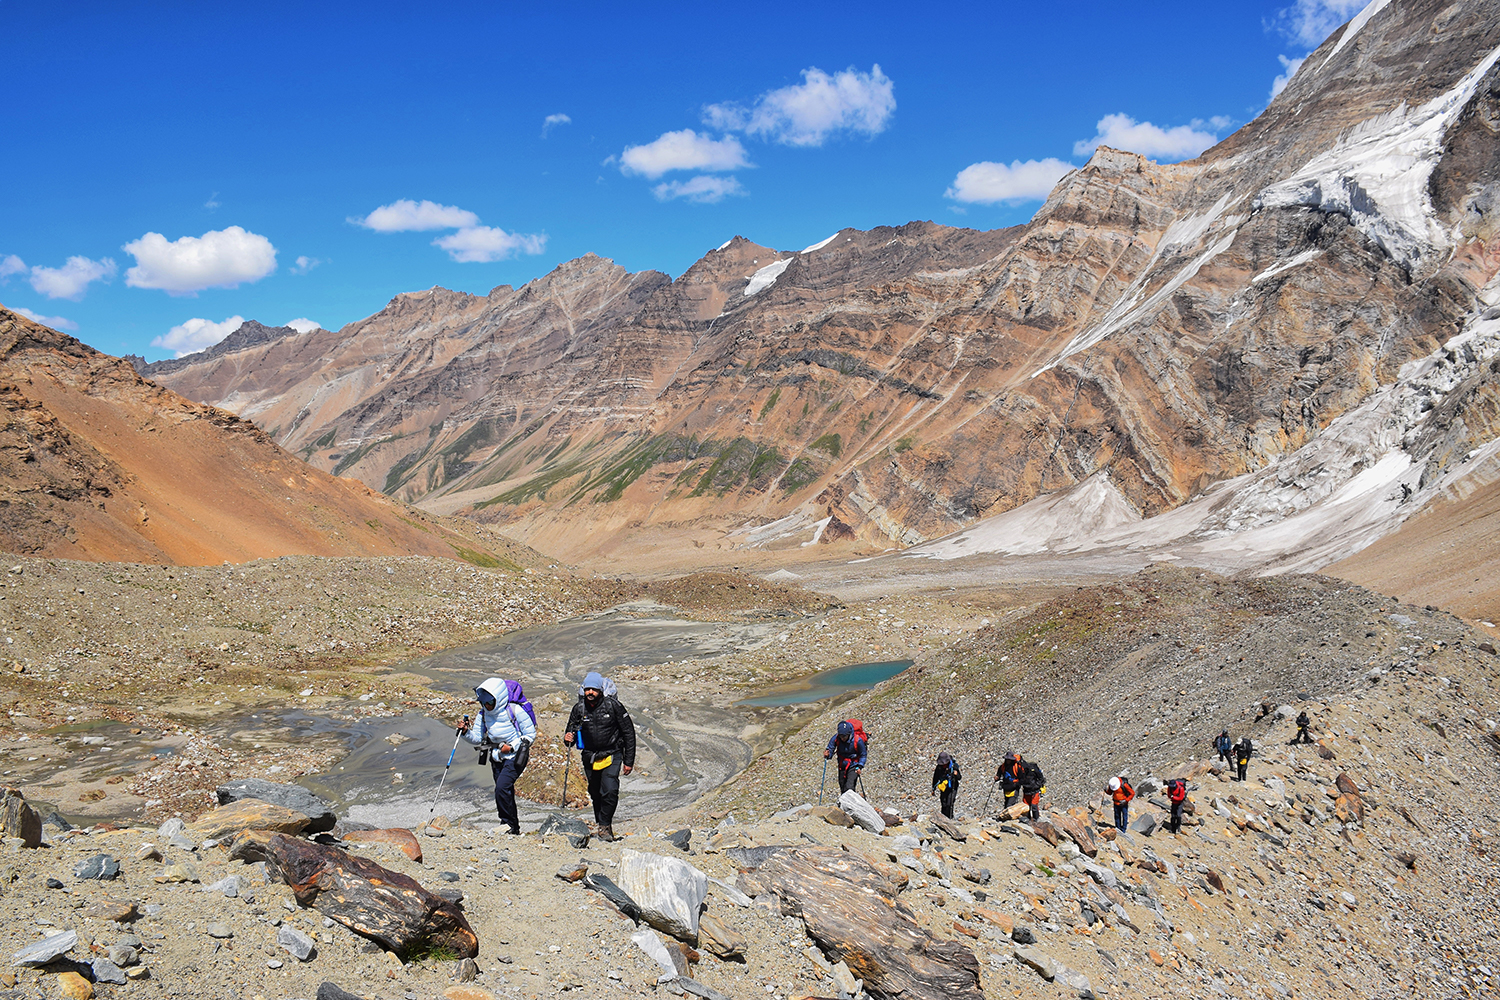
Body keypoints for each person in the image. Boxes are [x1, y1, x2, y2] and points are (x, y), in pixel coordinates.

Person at [564, 671, 636, 842]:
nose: (590, 693)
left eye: (594, 690)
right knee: (595, 792)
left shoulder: (613, 706)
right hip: (589, 755)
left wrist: (629, 761)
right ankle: (601, 824)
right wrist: (567, 738)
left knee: (610, 790)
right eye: (587, 689)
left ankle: (605, 825)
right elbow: (570, 732)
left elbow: (628, 733)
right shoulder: (579, 709)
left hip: (612, 753)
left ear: (600, 691)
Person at [460, 677, 536, 835]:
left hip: (516, 756)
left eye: (489, 702)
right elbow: (477, 738)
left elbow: (530, 734)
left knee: (502, 787)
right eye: (484, 703)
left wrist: (512, 746)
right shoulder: (483, 714)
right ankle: (511, 826)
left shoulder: (514, 710)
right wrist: (466, 732)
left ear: (498, 698)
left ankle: (508, 824)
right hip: (496, 757)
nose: (487, 706)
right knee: (504, 790)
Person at [824, 720, 867, 795]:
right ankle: (844, 804)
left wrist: (860, 766)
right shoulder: (836, 738)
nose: (842, 738)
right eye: (841, 736)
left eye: (844, 736)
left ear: (849, 733)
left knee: (849, 787)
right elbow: (831, 747)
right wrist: (828, 754)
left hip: (854, 765)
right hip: (842, 764)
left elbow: (863, 754)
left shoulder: (858, 740)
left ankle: (851, 804)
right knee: (842, 786)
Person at [931, 752, 962, 819]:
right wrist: (933, 788)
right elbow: (935, 777)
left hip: (953, 786)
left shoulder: (953, 766)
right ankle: (943, 818)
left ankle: (950, 818)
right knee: (944, 803)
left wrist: (956, 774)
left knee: (949, 803)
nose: (943, 765)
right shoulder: (939, 768)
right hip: (944, 787)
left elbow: (959, 778)